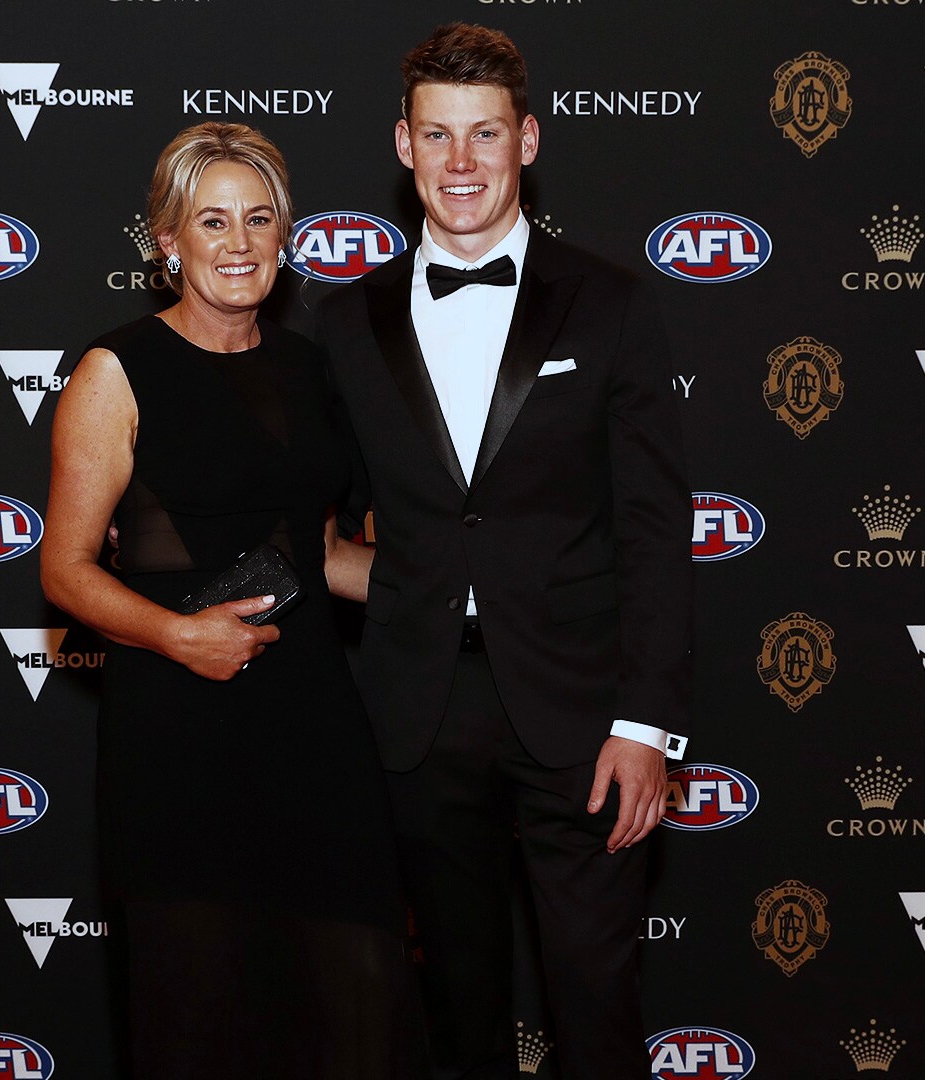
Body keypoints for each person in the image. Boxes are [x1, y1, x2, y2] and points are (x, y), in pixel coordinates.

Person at [316, 23, 693, 1079]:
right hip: (420, 716)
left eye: (485, 135)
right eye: (439, 136)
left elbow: (659, 532)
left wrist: (646, 726)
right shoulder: (347, 324)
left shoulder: (612, 303)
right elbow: (311, 509)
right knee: (453, 1011)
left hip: (585, 716)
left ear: (528, 139)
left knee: (596, 1002)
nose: (463, 163)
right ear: (403, 143)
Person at [41, 121, 422, 1080]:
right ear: (168, 240)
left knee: (358, 1011)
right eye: (212, 221)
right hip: (181, 737)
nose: (240, 242)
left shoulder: (308, 368)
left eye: (260, 218)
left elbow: (325, 551)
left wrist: (467, 585)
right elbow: (67, 569)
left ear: (286, 232)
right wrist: (177, 636)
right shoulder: (114, 372)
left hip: (317, 726)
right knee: (198, 1023)